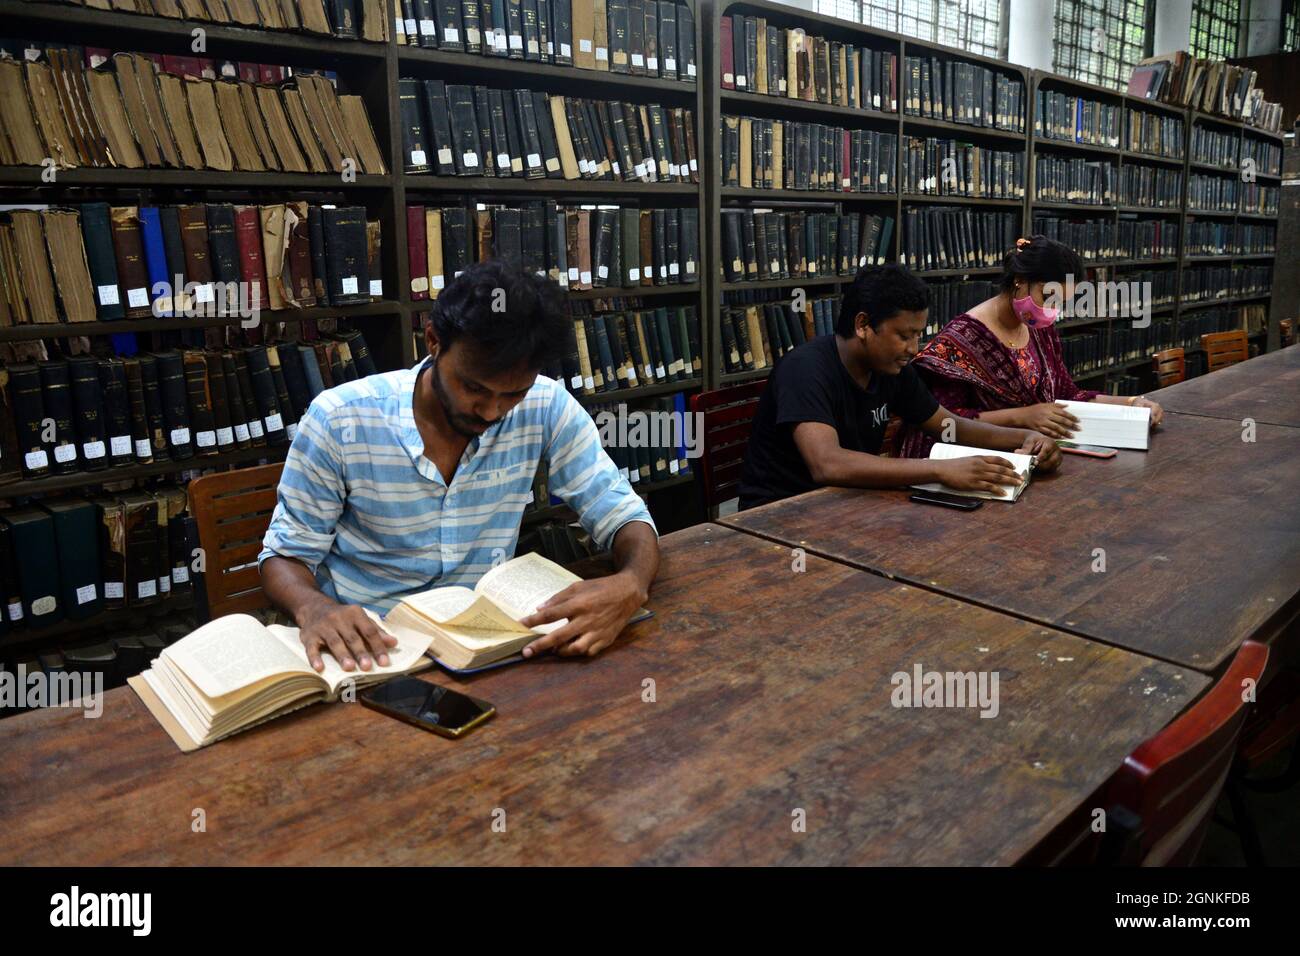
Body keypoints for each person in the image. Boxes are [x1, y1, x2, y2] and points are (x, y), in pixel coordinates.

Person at [259, 260, 660, 672]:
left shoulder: (546, 404)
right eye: (473, 387)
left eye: (513, 394)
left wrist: (632, 584)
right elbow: (284, 555)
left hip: (489, 644)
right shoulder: (341, 419)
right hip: (371, 650)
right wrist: (314, 608)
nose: (491, 410)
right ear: (433, 341)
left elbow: (624, 514)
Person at [737, 263, 1062, 510]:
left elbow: (947, 425)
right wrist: (937, 470)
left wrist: (1026, 437)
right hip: (781, 514)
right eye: (904, 335)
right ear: (863, 325)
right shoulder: (805, 369)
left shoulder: (890, 367)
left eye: (917, 335)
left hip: (845, 505)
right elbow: (828, 464)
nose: (913, 348)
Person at [899, 235, 1164, 459]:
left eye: (1060, 303)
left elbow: (1066, 394)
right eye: (1048, 297)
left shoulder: (1039, 329)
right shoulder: (960, 341)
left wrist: (1132, 404)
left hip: (1038, 456)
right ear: (1019, 280)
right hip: (981, 463)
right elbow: (945, 424)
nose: (1052, 311)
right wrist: (1023, 417)